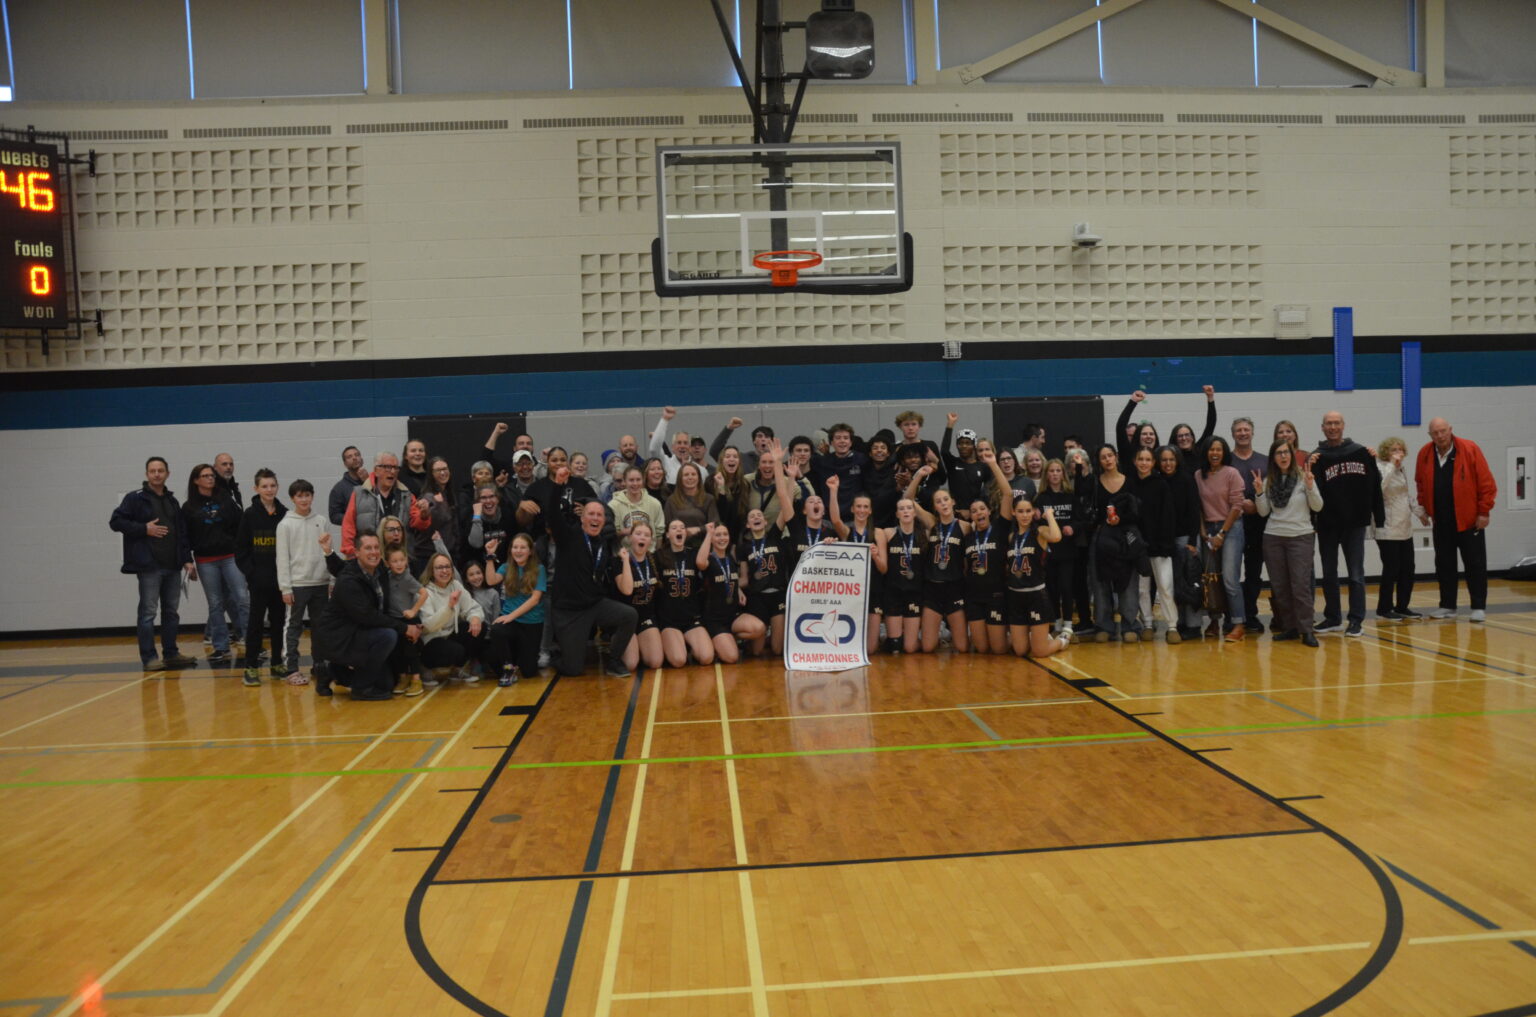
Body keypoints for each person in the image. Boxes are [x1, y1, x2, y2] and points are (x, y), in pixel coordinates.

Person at [542, 466, 638, 677]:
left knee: (629, 615)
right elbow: (552, 513)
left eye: (599, 515)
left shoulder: (604, 542)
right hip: (569, 611)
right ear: (582, 518)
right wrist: (558, 485)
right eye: (591, 514)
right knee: (573, 669)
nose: (595, 518)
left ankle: (613, 661)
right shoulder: (567, 536)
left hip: (594, 605)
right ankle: (557, 653)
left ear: (604, 520)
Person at [110, 457, 199, 671]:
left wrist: (187, 560)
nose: (156, 474)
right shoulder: (135, 498)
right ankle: (149, 658)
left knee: (171, 612)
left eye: (160, 470)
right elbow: (116, 522)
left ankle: (171, 654)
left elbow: (182, 534)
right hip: (149, 566)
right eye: (152, 471)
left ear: (168, 473)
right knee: (148, 613)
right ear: (146, 474)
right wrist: (143, 529)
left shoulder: (173, 501)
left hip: (173, 566)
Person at [311, 532, 419, 700]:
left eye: (376, 547)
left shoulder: (380, 569)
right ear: (357, 552)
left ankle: (331, 670)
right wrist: (404, 627)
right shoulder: (349, 581)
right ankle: (360, 689)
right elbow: (367, 616)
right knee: (388, 636)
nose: (374, 552)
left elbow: (338, 567)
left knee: (386, 685)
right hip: (339, 637)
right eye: (368, 548)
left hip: (361, 631)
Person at [1414, 417, 1497, 622]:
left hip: (1469, 521)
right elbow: (1420, 484)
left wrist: (1484, 511)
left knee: (1475, 564)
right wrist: (1423, 508)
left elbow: (1486, 483)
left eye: (1443, 431)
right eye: (1435, 433)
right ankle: (1447, 606)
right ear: (1430, 435)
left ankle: (1478, 607)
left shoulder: (1469, 449)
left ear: (1450, 430)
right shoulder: (1425, 453)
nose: (1440, 436)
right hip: (1441, 522)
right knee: (1444, 565)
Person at [1310, 411, 1383, 637]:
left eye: (1336, 423)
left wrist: (1378, 517)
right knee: (1329, 573)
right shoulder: (1316, 458)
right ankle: (1333, 617)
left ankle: (1356, 620)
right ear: (1322, 428)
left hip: (1354, 523)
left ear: (1343, 426)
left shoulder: (1361, 452)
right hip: (1327, 525)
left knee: (1355, 574)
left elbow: (1376, 484)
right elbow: (1309, 491)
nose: (1332, 427)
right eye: (1328, 424)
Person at [1256, 440, 1324, 647]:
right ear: (1273, 458)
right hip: (1273, 537)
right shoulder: (1268, 481)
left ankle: (1307, 630)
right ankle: (1290, 628)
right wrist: (1259, 492)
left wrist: (1311, 488)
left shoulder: (1305, 478)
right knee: (1281, 587)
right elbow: (1263, 512)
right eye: (1278, 453)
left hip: (1300, 537)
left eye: (1286, 452)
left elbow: (1318, 506)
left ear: (1291, 455)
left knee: (1300, 586)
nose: (1283, 456)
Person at [182, 462, 248, 667]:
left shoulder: (225, 499)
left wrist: (242, 550)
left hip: (230, 556)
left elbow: (240, 524)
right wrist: (187, 560)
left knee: (243, 598)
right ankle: (220, 647)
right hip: (205, 560)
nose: (210, 478)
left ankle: (250, 641)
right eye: (205, 475)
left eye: (211, 475)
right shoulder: (189, 507)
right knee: (215, 603)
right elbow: (184, 536)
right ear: (196, 480)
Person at [276, 479, 332, 685]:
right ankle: (291, 668)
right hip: (297, 584)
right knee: (293, 626)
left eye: (307, 495)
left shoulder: (321, 521)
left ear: (312, 496)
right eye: (299, 496)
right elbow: (281, 558)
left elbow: (328, 551)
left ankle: (320, 665)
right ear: (293, 498)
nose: (304, 499)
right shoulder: (285, 524)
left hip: (320, 582)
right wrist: (285, 587)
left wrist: (331, 578)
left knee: (320, 626)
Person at [236, 469, 288, 686]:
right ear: (256, 489)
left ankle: (277, 663)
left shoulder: (285, 513)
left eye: (272, 486)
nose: (269, 490)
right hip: (259, 582)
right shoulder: (249, 515)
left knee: (278, 623)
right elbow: (240, 550)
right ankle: (251, 667)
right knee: (255, 624)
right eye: (264, 486)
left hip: (280, 581)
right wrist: (252, 573)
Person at [1087, 445, 1142, 643]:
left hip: (1125, 536)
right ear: (1099, 461)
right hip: (1101, 537)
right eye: (1103, 457)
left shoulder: (1130, 481)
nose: (1108, 460)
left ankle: (1130, 624)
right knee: (1100, 581)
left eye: (1110, 455)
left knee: (1128, 581)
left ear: (1116, 457)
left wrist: (1121, 520)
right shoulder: (1095, 482)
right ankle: (1104, 624)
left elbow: (1136, 511)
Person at [1004, 495, 1070, 660]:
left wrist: (1049, 516)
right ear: (1013, 512)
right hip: (1015, 596)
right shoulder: (1011, 537)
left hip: (1036, 595)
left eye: (1028, 511)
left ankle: (1063, 639)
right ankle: (1040, 637)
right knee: (1019, 651)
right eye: (1020, 511)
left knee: (1039, 653)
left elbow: (1056, 537)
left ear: (1033, 512)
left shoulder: (1039, 531)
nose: (1025, 515)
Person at [1194, 437, 1246, 641]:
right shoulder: (1199, 475)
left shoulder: (1232, 474)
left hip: (1230, 528)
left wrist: (1222, 534)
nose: (1215, 453)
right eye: (1211, 449)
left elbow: (1237, 506)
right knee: (1211, 578)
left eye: (1219, 449)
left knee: (1230, 579)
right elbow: (1196, 505)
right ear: (1206, 452)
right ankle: (1214, 622)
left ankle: (1238, 623)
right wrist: (1203, 531)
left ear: (1224, 452)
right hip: (1208, 529)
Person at [826, 476, 883, 657]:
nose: (861, 510)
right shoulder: (847, 531)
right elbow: (835, 520)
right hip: (850, 592)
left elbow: (884, 568)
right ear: (852, 509)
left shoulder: (878, 533)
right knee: (848, 643)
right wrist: (833, 490)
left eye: (865, 506)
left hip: (873, 590)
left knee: (870, 649)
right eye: (858, 506)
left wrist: (875, 556)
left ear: (870, 510)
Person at [1127, 447, 1177, 642]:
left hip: (1160, 546)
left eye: (1148, 459)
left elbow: (1168, 516)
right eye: (1141, 459)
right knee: (1142, 588)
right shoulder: (1130, 485)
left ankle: (1171, 625)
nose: (1144, 463)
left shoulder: (1161, 485)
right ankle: (1147, 622)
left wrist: (1166, 544)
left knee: (1165, 586)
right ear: (1135, 461)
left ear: (1153, 463)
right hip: (1139, 547)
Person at [696, 522, 764, 664]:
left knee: (759, 628)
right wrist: (708, 533)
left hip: (733, 616)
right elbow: (700, 563)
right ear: (712, 539)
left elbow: (728, 578)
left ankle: (729, 638)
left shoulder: (730, 559)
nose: (722, 538)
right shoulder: (708, 559)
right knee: (732, 657)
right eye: (718, 535)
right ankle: (716, 639)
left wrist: (737, 589)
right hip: (715, 620)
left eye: (725, 534)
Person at [342, 452, 429, 559]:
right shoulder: (359, 494)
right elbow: (348, 524)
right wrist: (350, 551)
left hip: (399, 560)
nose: (392, 471)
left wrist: (424, 515)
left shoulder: (407, 495)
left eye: (396, 468)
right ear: (376, 470)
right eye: (387, 467)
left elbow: (418, 524)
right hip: (370, 558)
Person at [485, 535, 547, 685]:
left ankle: (522, 656)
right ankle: (508, 668)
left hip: (531, 623)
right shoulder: (506, 567)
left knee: (529, 672)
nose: (518, 551)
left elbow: (535, 599)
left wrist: (510, 616)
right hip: (511, 621)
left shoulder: (539, 569)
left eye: (523, 547)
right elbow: (491, 580)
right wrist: (489, 556)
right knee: (497, 630)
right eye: (515, 547)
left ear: (530, 551)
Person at [1158, 445, 1204, 641]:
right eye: (1164, 460)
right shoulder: (1158, 481)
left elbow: (1195, 511)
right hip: (1167, 540)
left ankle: (1194, 625)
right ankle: (1181, 622)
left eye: (1171, 459)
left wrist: (1193, 541)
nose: (1168, 463)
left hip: (1186, 538)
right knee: (1176, 583)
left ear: (1177, 461)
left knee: (1190, 581)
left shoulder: (1186, 479)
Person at [418, 554, 487, 684]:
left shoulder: (455, 585)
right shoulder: (425, 591)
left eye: (447, 566)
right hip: (431, 641)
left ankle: (456, 670)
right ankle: (425, 669)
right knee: (456, 650)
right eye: (439, 567)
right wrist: (449, 606)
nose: (444, 571)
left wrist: (475, 618)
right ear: (431, 571)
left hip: (450, 636)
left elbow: (473, 607)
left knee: (480, 627)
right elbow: (428, 626)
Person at [1228, 417, 1268, 633]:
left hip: (1257, 526)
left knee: (1253, 574)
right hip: (1232, 524)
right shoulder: (1226, 461)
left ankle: (1251, 615)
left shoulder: (1265, 461)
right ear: (1233, 434)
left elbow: (1272, 494)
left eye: (1246, 430)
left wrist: (1257, 505)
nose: (1242, 433)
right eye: (1238, 430)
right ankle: (1232, 616)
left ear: (1252, 433)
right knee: (1230, 574)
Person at [1373, 438, 1420, 621]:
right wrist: (1392, 465)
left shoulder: (1402, 470)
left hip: (1405, 527)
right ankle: (1384, 608)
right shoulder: (1381, 467)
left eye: (1400, 449)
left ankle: (1402, 606)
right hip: (1387, 527)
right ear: (1386, 452)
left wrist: (1419, 512)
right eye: (1393, 450)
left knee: (1408, 568)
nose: (1398, 453)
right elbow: (1379, 489)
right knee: (1391, 568)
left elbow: (1405, 495)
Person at [655, 519, 713, 666]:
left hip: (691, 617)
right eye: (674, 528)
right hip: (669, 620)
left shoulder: (693, 554)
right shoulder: (659, 556)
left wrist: (709, 534)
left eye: (682, 528)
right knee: (678, 661)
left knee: (706, 658)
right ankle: (675, 644)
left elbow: (703, 564)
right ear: (667, 534)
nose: (679, 530)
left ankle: (688, 645)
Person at [612, 521, 665, 674]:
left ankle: (641, 646)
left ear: (651, 541)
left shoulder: (655, 561)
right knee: (630, 664)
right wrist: (626, 561)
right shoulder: (618, 561)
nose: (642, 537)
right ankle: (620, 645)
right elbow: (627, 589)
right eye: (638, 534)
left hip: (646, 618)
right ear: (630, 538)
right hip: (626, 620)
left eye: (647, 535)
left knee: (655, 662)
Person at [874, 498, 926, 654]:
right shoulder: (888, 533)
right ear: (897, 514)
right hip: (893, 593)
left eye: (909, 508)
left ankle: (931, 636)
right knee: (895, 646)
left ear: (914, 512)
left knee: (909, 648)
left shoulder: (924, 534)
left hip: (914, 593)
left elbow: (933, 521)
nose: (905, 511)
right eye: (901, 509)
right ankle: (890, 638)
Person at [382, 546, 430, 695]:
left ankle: (416, 680)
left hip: (408, 619)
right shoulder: (387, 577)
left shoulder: (407, 578)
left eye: (402, 560)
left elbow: (424, 593)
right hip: (394, 619)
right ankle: (403, 678)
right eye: (395, 561)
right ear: (388, 563)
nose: (399, 564)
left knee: (411, 650)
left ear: (407, 561)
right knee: (397, 650)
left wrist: (413, 610)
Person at [939, 413, 988, 520]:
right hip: (955, 514)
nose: (964, 446)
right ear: (957, 445)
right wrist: (950, 424)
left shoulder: (983, 467)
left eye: (968, 443)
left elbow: (988, 491)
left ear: (974, 446)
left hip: (976, 515)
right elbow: (944, 451)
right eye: (960, 443)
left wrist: (972, 510)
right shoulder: (952, 463)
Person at [663, 462, 719, 540]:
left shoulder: (709, 499)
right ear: (680, 479)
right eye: (686, 475)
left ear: (699, 478)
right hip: (677, 545)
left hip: (702, 545)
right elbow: (666, 527)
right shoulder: (671, 500)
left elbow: (715, 524)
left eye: (693, 474)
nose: (690, 477)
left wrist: (698, 529)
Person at [1169, 385, 1218, 472]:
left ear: (1192, 437)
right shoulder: (1170, 456)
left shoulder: (1200, 449)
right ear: (1175, 439)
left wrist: (1210, 399)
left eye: (1187, 435)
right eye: (1180, 436)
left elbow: (1210, 425)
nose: (1184, 438)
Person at [610, 465, 666, 540]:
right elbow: (611, 535)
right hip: (624, 551)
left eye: (638, 480)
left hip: (650, 550)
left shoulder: (655, 504)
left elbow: (659, 534)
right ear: (625, 481)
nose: (635, 484)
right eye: (631, 480)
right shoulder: (613, 505)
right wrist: (624, 532)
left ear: (643, 480)